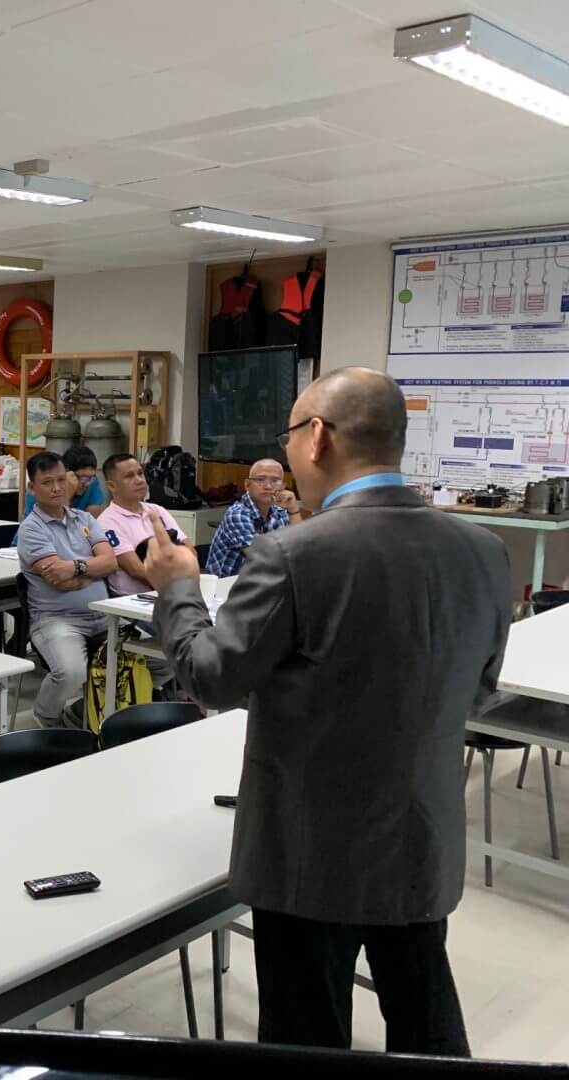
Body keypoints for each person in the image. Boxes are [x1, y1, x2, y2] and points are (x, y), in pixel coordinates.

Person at [144, 367, 511, 1056]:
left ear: (317, 437)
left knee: (307, 1040)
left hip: (307, 855)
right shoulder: (484, 551)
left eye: (288, 437)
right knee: (426, 1024)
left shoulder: (292, 553)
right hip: (421, 838)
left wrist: (178, 590)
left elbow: (211, 677)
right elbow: (480, 687)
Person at [17, 452, 117, 728]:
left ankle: (84, 709)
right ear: (32, 488)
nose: (57, 488)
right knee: (71, 672)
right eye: (47, 482)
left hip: (104, 616)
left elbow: (111, 562)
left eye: (61, 480)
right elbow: (59, 581)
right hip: (57, 619)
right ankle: (47, 715)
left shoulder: (85, 519)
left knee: (159, 659)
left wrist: (76, 569)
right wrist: (93, 572)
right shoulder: (31, 529)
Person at [97, 453, 183, 595]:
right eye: (129, 476)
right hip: (132, 600)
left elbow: (189, 550)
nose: (139, 480)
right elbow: (136, 570)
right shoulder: (107, 522)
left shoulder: (157, 510)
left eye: (140, 473)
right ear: (112, 486)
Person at [204, 458, 303, 577]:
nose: (268, 486)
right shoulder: (237, 514)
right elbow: (263, 558)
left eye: (275, 480)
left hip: (262, 580)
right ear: (247, 485)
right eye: (260, 480)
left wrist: (293, 509)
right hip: (227, 585)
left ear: (282, 486)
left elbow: (299, 548)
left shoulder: (279, 512)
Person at [22, 445, 104, 519]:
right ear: (66, 472)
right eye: (83, 478)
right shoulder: (39, 490)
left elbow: (89, 525)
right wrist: (66, 495)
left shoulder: (93, 482)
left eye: (90, 477)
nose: (87, 483)